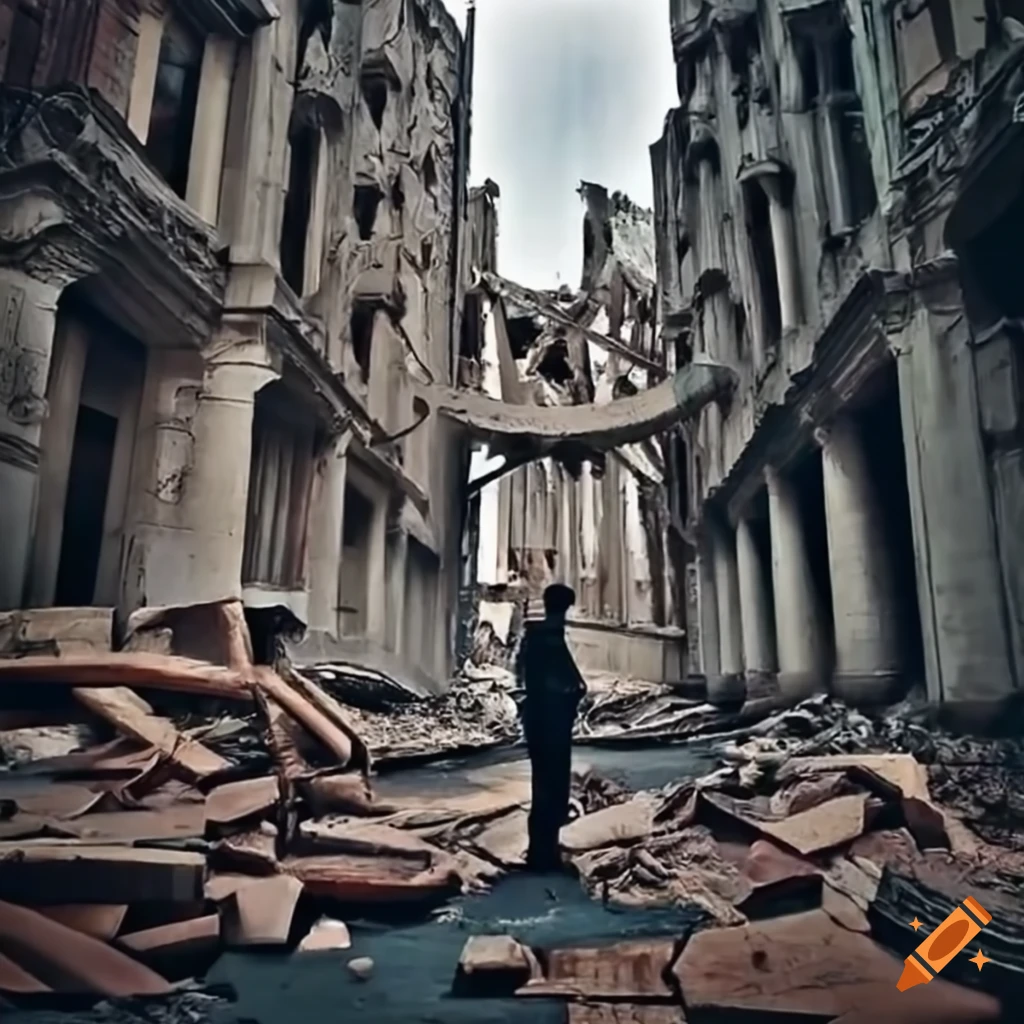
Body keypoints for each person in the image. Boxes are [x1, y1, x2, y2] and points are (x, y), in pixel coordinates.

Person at [516, 583, 587, 871]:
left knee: (546, 785)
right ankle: (543, 855)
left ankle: (542, 852)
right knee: (551, 786)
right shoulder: (547, 638)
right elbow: (553, 683)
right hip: (551, 721)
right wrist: (573, 690)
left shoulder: (538, 636)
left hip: (542, 720)